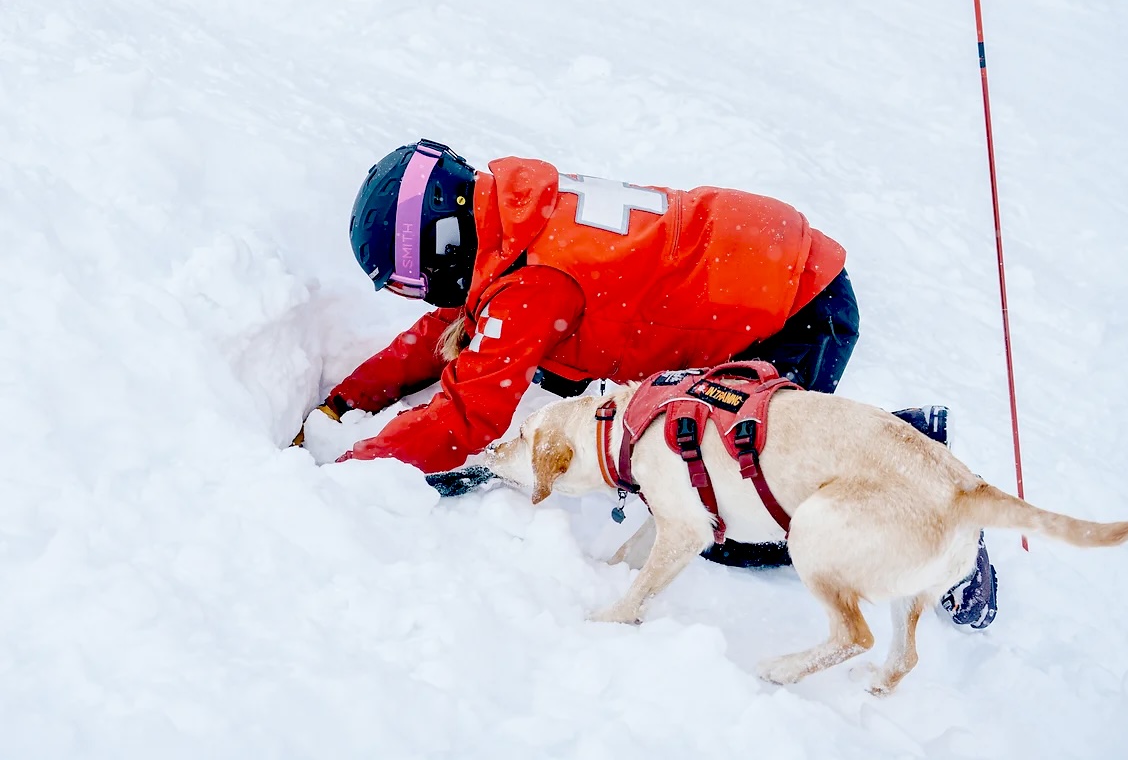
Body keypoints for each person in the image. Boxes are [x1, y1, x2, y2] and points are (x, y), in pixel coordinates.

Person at [303, 138, 997, 629]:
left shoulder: (532, 286)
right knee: (562, 365)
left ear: (445, 244)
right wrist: (349, 398)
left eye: (416, 281)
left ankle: (920, 480)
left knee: (731, 523)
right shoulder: (513, 217)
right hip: (764, 266)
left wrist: (352, 466)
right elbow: (454, 333)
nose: (426, 300)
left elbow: (466, 416)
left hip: (787, 313)